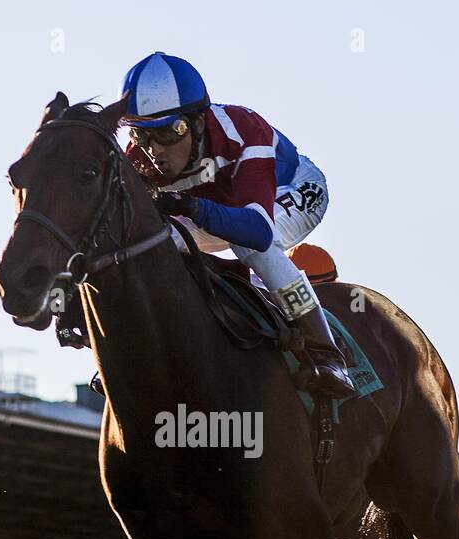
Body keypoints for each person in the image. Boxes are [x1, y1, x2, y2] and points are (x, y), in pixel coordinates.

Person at [118, 52, 355, 398]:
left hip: (295, 189)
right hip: (221, 210)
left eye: (170, 132)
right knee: (152, 241)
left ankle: (327, 353)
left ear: (197, 123)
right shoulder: (137, 159)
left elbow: (257, 230)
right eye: (141, 135)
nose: (155, 151)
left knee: (250, 246)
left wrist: (192, 206)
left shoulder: (242, 131)